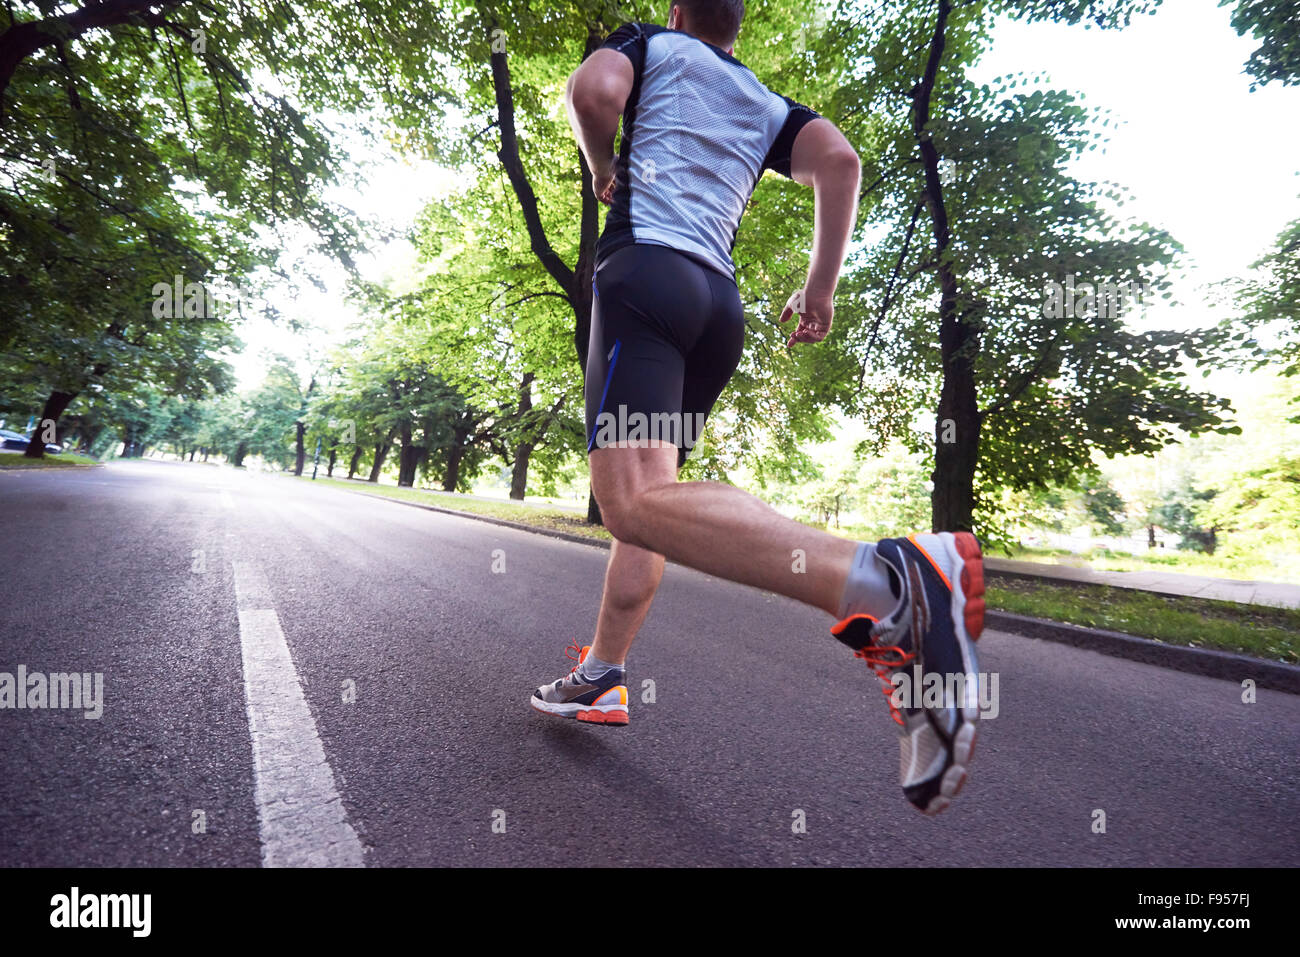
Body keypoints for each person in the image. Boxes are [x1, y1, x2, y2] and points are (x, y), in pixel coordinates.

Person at [529, 0, 985, 816]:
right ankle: (600, 673)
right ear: (736, 26)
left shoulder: (653, 42)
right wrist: (821, 288)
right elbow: (839, 162)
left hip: (646, 281)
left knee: (630, 499)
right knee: (655, 502)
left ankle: (889, 586)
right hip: (717, 306)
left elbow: (595, 92)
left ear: (677, 10)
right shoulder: (769, 103)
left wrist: (603, 165)